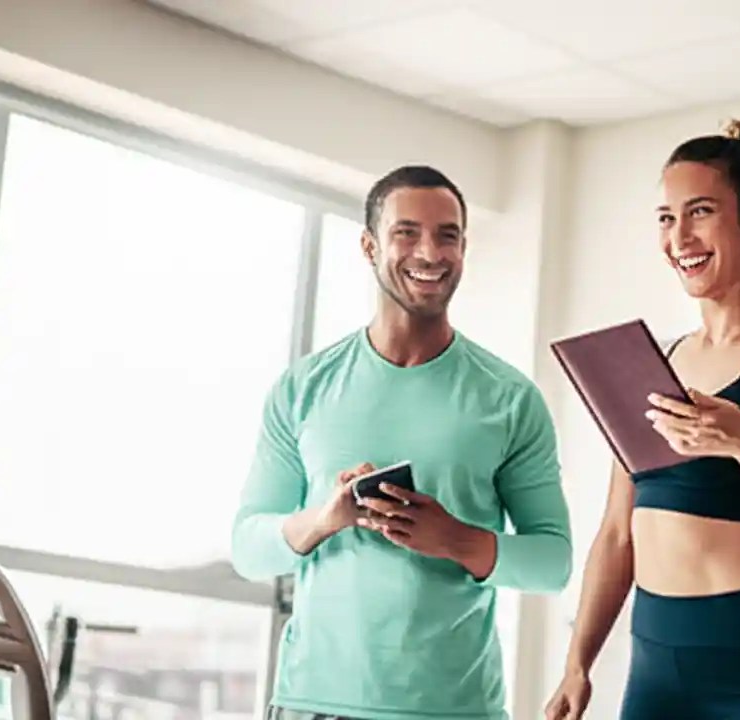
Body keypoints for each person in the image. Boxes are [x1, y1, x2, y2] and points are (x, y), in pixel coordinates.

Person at [545, 120, 740, 720]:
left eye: (700, 213)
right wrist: (577, 664)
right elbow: (618, 533)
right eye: (666, 218)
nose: (679, 237)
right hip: (657, 672)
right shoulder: (657, 362)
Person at [231, 166, 572, 720]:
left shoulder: (510, 399)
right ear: (369, 246)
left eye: (448, 235)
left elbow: (551, 561)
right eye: (406, 232)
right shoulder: (303, 388)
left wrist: (454, 538)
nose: (430, 252)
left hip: (455, 709)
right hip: (312, 704)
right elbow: (247, 547)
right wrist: (324, 520)